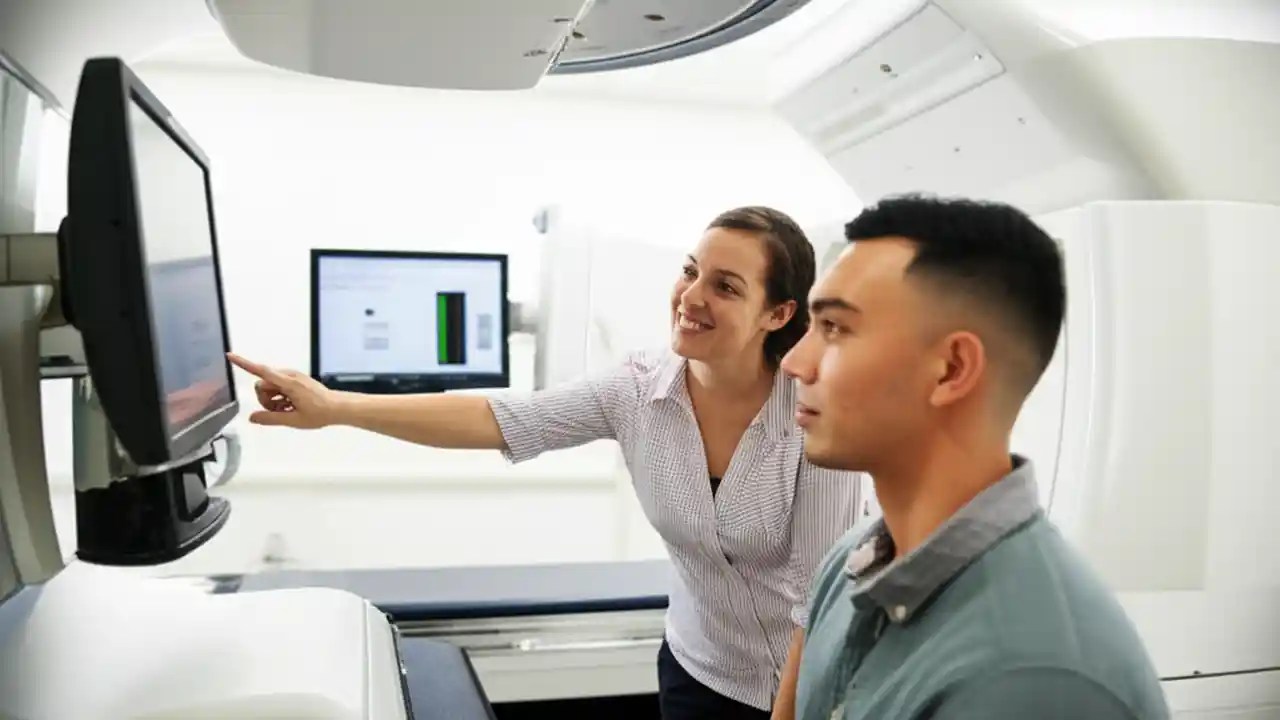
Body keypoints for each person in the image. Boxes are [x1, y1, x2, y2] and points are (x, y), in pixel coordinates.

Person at [227, 206, 866, 720]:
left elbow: (820, 597)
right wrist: (339, 407)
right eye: (690, 270)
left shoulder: (811, 411)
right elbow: (502, 418)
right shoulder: (637, 390)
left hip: (808, 685)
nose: (690, 296)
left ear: (778, 313)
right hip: (697, 670)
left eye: (724, 287)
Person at [776, 195, 1169, 719]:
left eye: (835, 328)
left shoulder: (1032, 679)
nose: (795, 363)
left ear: (951, 369)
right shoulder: (849, 565)